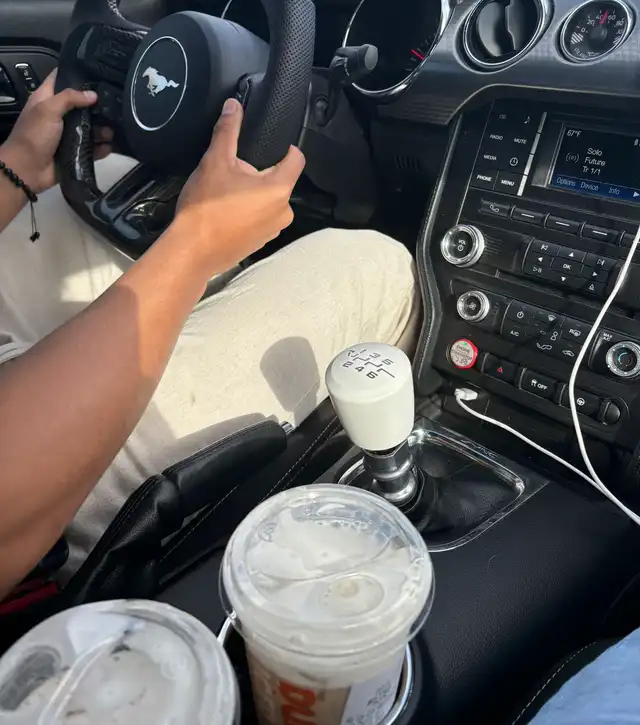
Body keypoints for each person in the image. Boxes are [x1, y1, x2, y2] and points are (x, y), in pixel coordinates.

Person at [0, 71, 419, 597]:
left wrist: (15, 167)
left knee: (110, 175)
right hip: (30, 500)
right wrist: (195, 243)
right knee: (374, 263)